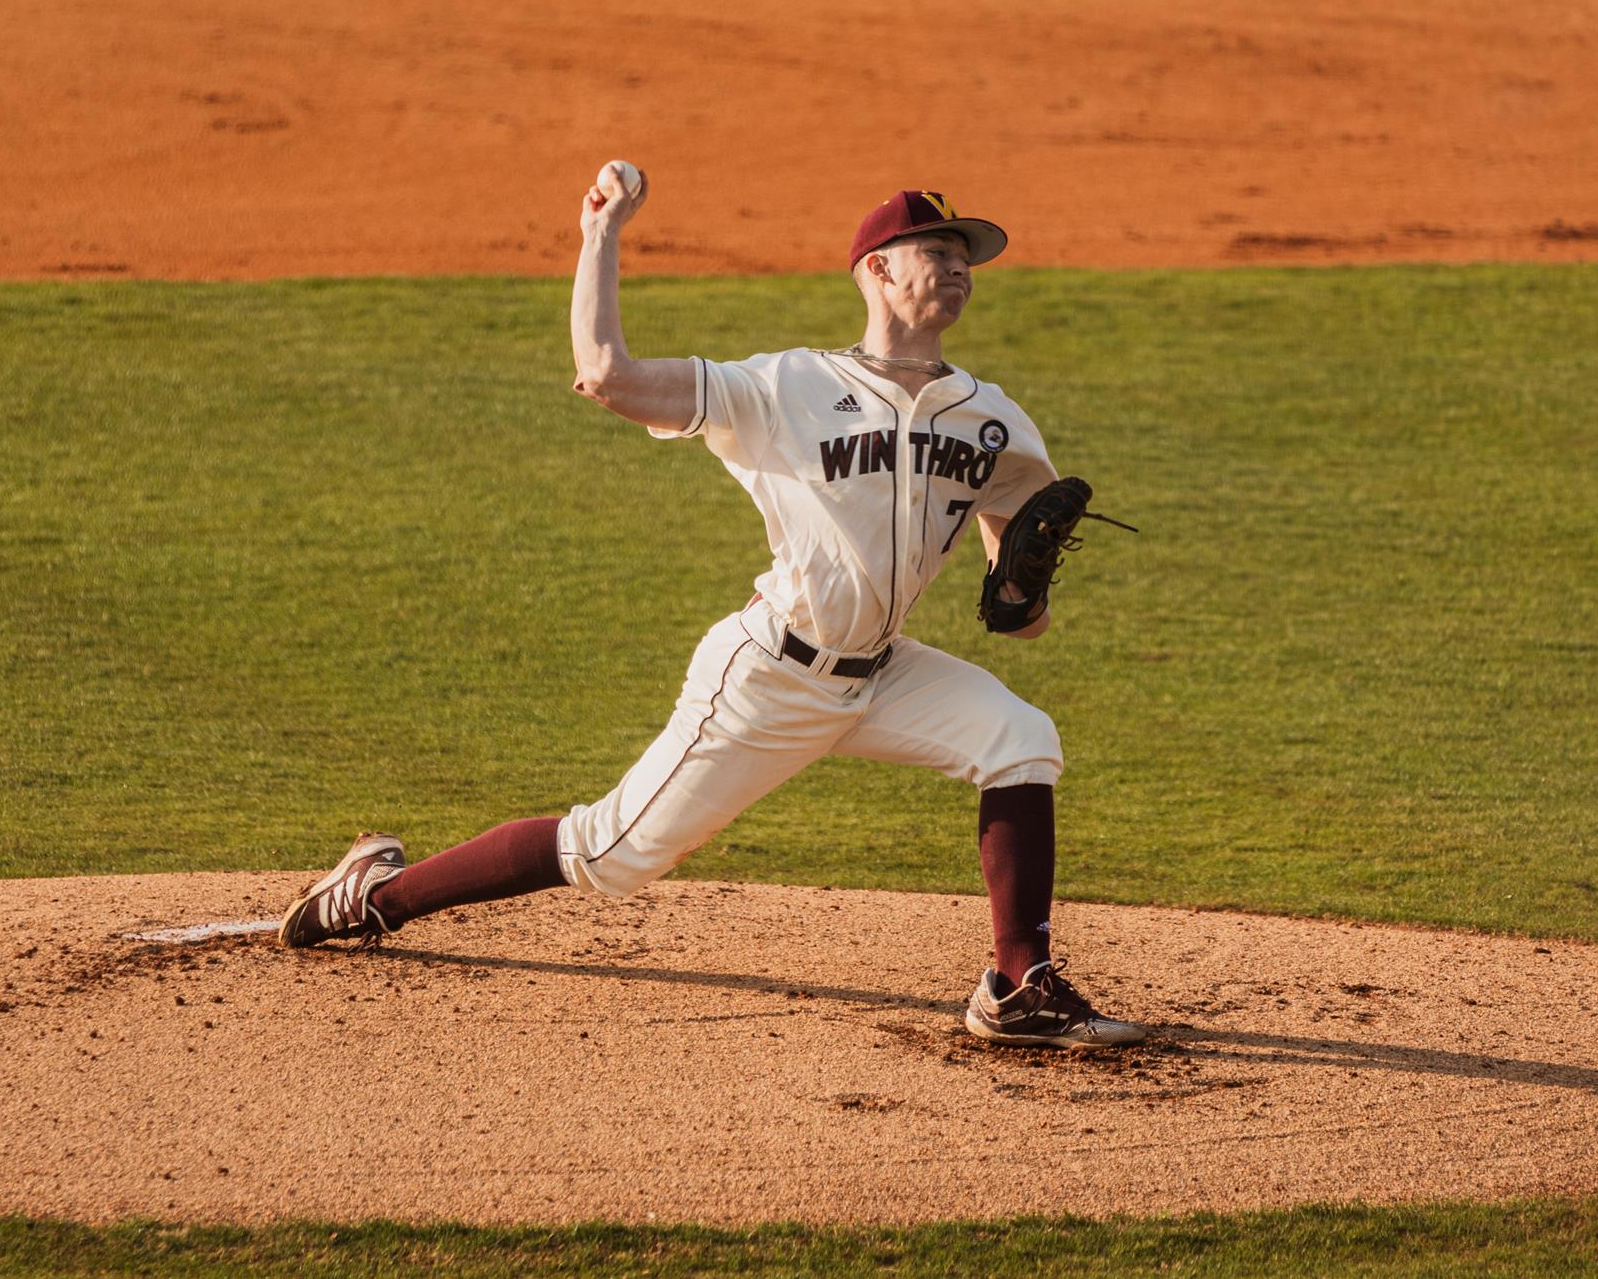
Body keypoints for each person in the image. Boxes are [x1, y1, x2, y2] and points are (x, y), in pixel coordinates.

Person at [278, 172, 1144, 1050]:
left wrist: (1020, 588)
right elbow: (606, 375)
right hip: (772, 675)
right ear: (877, 271)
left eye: (967, 257)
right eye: (938, 251)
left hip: (884, 672)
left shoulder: (993, 421)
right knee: (609, 854)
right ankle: (373, 894)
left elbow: (1020, 609)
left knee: (1020, 737)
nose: (959, 267)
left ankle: (1017, 986)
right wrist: (602, 235)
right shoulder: (786, 386)